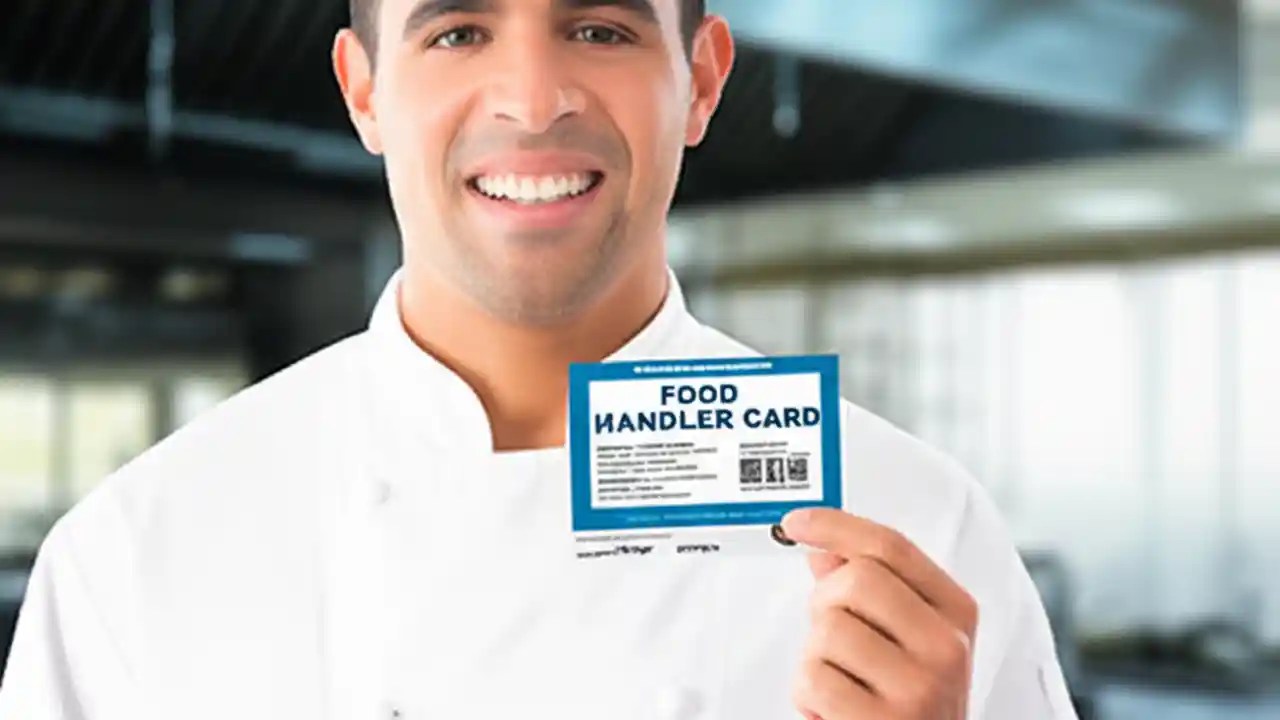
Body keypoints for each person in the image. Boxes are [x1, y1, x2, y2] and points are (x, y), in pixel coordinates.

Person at [0, 1, 1079, 718]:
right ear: (364, 90)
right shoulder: (135, 556)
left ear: (700, 81)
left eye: (599, 29)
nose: (532, 98)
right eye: (458, 31)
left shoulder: (915, 534)